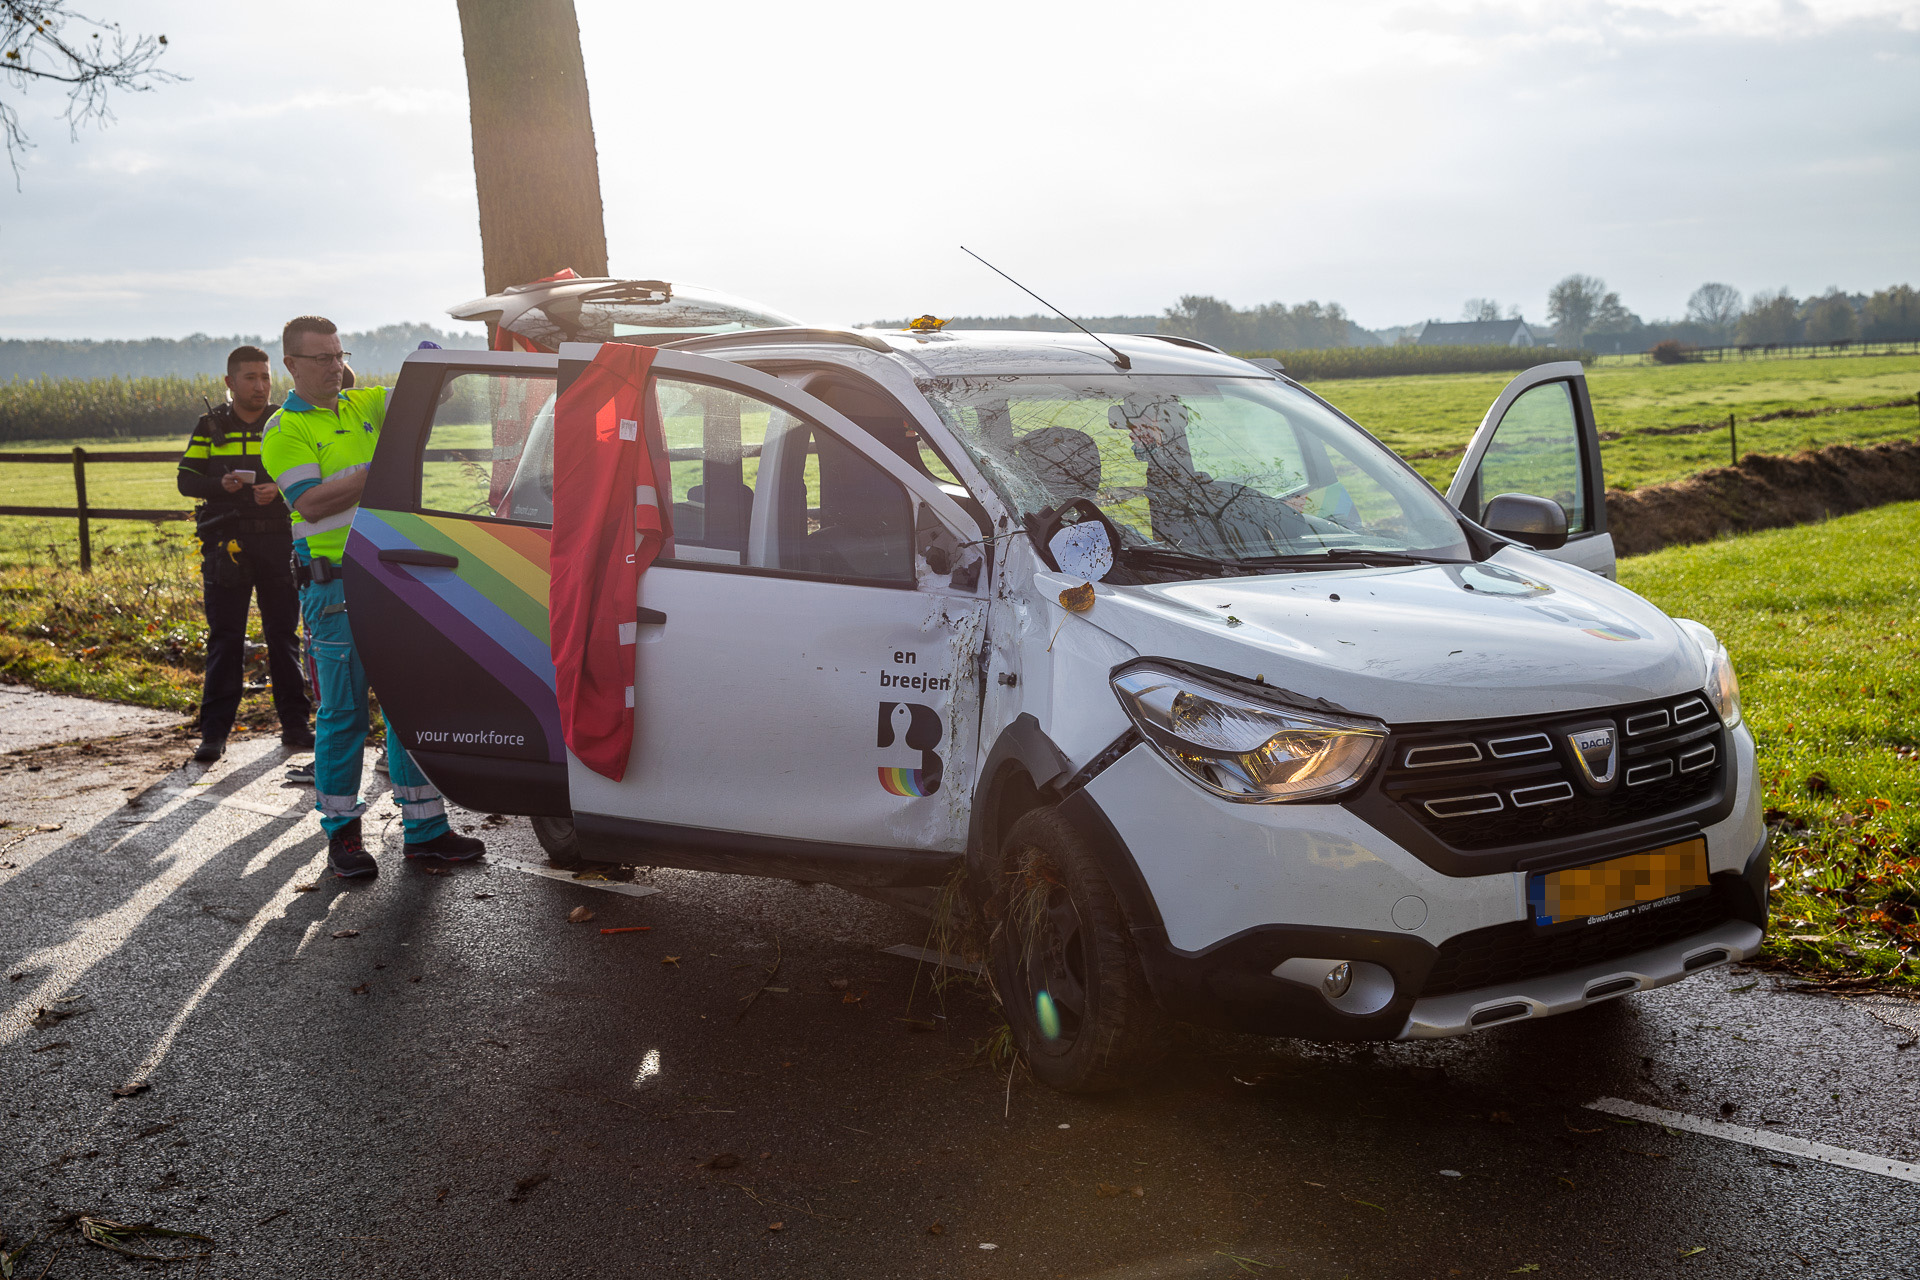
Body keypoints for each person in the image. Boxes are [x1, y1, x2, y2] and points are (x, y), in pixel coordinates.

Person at [260, 315, 484, 877]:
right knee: (344, 714)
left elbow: (425, 399)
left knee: (410, 703)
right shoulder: (284, 428)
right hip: (333, 586)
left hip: (393, 578)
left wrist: (432, 370)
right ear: (291, 364)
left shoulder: (365, 405)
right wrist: (383, 461)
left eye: (339, 355)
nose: (335, 366)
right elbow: (311, 503)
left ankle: (426, 830)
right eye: (321, 359)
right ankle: (344, 837)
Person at [176, 345, 314, 763]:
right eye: (250, 377)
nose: (260, 385)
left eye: (265, 377)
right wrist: (223, 486)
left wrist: (280, 490)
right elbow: (186, 479)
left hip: (278, 543)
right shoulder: (209, 425)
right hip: (227, 549)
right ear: (230, 382)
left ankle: (295, 726)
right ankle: (214, 735)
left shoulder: (285, 422)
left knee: (283, 636)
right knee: (225, 639)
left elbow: (313, 475)